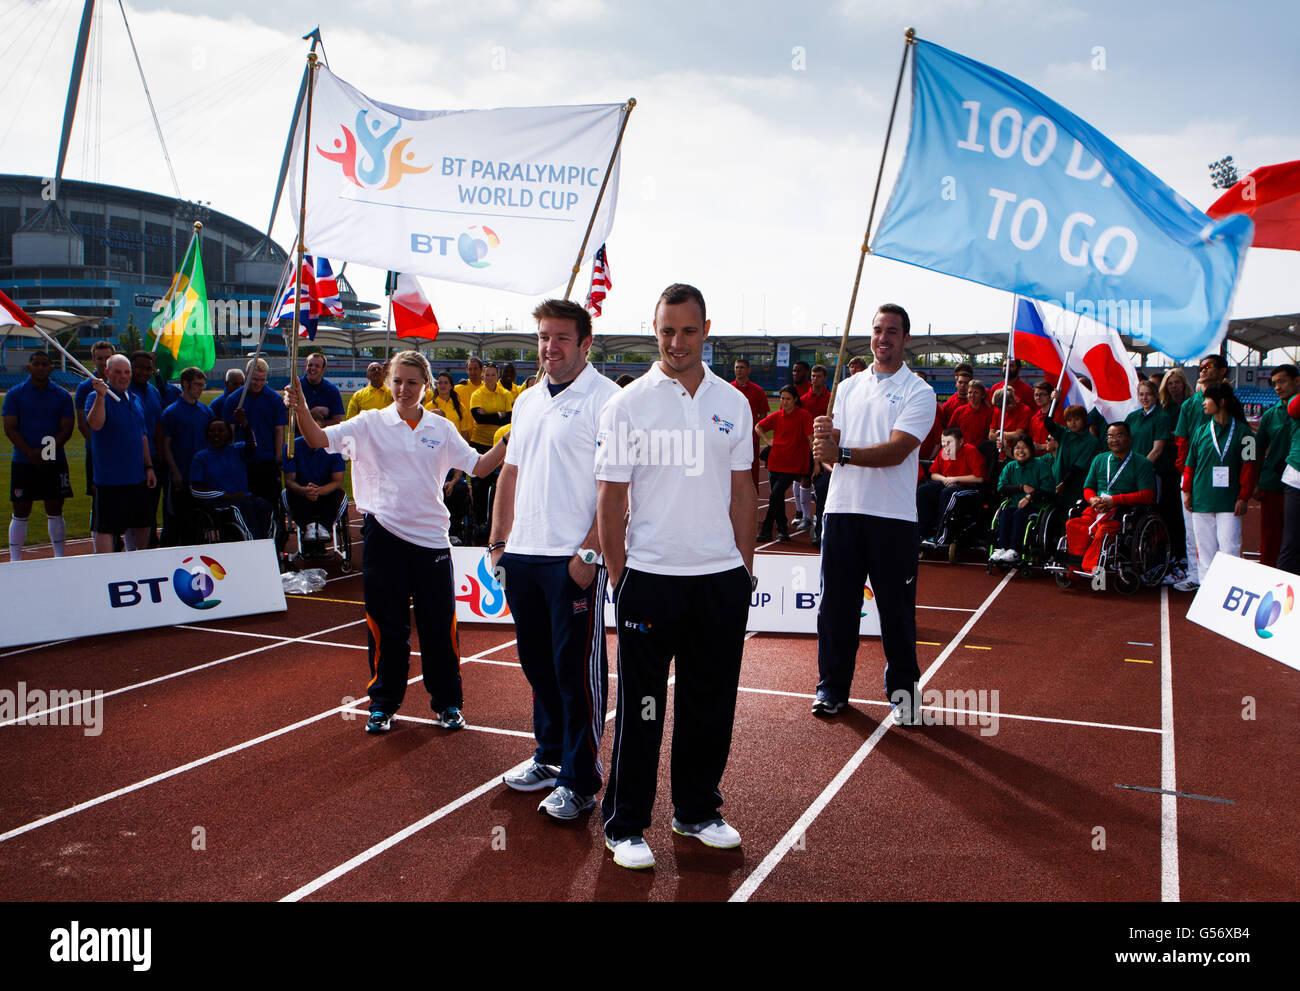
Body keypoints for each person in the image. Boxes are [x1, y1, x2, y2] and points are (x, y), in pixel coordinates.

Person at [595, 283, 754, 870]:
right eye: (666, 330)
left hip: (719, 580)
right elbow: (610, 501)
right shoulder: (627, 404)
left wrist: (743, 569)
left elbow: (743, 494)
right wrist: (620, 577)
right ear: (653, 329)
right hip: (650, 579)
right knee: (642, 708)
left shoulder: (733, 402)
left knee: (709, 704)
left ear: (706, 330)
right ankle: (626, 824)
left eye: (688, 331)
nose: (677, 342)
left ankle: (697, 811)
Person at [286, 350, 507, 733]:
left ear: (425, 384)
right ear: (389, 382)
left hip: (432, 542)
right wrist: (301, 407)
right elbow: (318, 438)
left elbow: (480, 466)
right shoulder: (370, 423)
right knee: (386, 626)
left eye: (413, 382)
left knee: (439, 628)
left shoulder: (440, 428)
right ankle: (383, 704)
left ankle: (448, 704)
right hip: (383, 537)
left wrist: (512, 435)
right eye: (398, 381)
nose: (404, 389)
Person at [488, 298, 621, 821]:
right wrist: (500, 543)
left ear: (586, 343)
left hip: (573, 561)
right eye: (544, 336)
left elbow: (617, 489)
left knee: (576, 674)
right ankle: (547, 756)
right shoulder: (527, 402)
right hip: (523, 556)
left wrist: (589, 553)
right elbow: (510, 475)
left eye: (562, 337)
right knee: (538, 667)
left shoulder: (608, 401)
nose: (550, 346)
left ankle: (581, 779)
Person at [811, 303, 935, 727]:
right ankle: (831, 688)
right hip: (843, 511)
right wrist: (826, 449)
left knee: (896, 613)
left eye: (893, 332)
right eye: (878, 330)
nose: (884, 338)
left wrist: (840, 452)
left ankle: (903, 696)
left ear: (905, 339)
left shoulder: (919, 391)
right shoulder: (847, 388)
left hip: (892, 518)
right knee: (836, 608)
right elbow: (833, 459)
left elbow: (898, 449)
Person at [1177, 383, 1255, 591]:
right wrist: (1186, 491)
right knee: (1205, 549)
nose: (1203, 403)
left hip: (1230, 500)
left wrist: (1243, 497)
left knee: (1229, 548)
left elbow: (1250, 467)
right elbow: (1190, 464)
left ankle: (1230, 590)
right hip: (1202, 498)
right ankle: (1207, 590)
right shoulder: (1201, 431)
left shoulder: (1244, 433)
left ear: (1221, 402)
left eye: (1207, 399)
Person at [4, 352, 73, 561]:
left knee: (55, 507)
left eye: (45, 364)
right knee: (21, 509)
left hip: (54, 461)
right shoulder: (15, 394)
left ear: (52, 368)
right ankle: (15, 560)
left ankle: (59, 557)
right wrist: (30, 452)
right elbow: (10, 427)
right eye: (37, 364)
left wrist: (46, 453)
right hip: (24, 461)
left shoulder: (61, 395)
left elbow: (67, 428)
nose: (41, 367)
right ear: (29, 367)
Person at [1064, 422, 1155, 575]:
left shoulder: (1142, 463)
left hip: (1121, 510)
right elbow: (1088, 488)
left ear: (1129, 438)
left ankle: (1091, 568)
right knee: (1074, 525)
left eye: (1119, 435)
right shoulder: (1099, 459)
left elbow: (1147, 495)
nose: (1114, 439)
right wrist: (1092, 499)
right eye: (1110, 436)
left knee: (1103, 531)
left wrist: (1114, 500)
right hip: (1097, 507)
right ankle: (1074, 568)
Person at [85, 354, 156, 553]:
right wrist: (100, 396)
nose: (123, 376)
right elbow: (95, 424)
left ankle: (140, 562)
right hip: (110, 480)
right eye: (117, 372)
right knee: (106, 527)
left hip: (137, 476)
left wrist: (148, 466)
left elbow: (142, 436)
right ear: (107, 373)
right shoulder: (96, 397)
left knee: (143, 524)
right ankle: (104, 567)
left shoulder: (135, 400)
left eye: (126, 372)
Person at [1173, 355, 1229, 586]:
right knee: (1193, 529)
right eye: (1200, 367)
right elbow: (1181, 442)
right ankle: (1196, 575)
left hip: (1225, 475)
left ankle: (1225, 579)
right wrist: (1186, 473)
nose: (1203, 370)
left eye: (1209, 366)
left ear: (1223, 370)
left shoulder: (1229, 401)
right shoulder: (1189, 405)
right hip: (1195, 474)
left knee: (1226, 533)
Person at [1125, 379, 1178, 580]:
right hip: (1131, 472)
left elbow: (1158, 449)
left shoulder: (1161, 418)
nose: (1144, 398)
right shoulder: (1132, 417)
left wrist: (1140, 468)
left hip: (1150, 472)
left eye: (1148, 394)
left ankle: (1154, 559)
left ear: (1155, 396)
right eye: (1141, 395)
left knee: (1153, 511)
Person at [190, 417, 276, 541]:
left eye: (221, 431)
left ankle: (269, 543)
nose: (216, 434)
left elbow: (252, 447)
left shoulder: (237, 450)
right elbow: (195, 490)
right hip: (219, 504)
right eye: (212, 431)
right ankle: (254, 544)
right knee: (241, 509)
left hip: (243, 499)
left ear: (229, 434)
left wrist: (245, 425)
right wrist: (226, 496)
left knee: (264, 505)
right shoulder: (201, 457)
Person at [159, 366, 214, 546]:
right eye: (197, 384)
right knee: (176, 522)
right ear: (185, 384)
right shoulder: (171, 412)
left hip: (200, 478)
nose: (200, 389)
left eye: (202, 385)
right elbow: (165, 444)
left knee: (199, 523)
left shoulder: (206, 412)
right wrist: (174, 470)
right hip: (180, 476)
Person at [755, 384, 815, 542]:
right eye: (782, 398)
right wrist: (768, 441)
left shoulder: (804, 416)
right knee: (778, 496)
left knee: (775, 494)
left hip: (794, 463)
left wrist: (816, 461)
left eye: (788, 398)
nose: (784, 402)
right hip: (775, 462)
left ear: (796, 399)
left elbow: (810, 440)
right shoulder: (777, 416)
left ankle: (767, 528)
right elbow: (758, 426)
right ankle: (782, 529)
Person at [227, 358, 287, 513]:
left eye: (262, 379)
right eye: (254, 379)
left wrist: (278, 457)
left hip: (267, 460)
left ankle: (275, 535)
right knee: (246, 505)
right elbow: (230, 432)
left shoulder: (274, 399)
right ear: (247, 375)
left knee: (271, 504)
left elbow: (279, 430)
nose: (258, 383)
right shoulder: (234, 400)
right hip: (243, 461)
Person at [1254, 365, 1299, 569]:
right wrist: (1255, 481)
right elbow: (1257, 448)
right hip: (1274, 483)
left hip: (1292, 480)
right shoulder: (1271, 415)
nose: (1277, 387)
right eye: (1274, 384)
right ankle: (1270, 580)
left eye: (1282, 381)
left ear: (1296, 381)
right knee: (1272, 536)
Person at [282, 409, 347, 548]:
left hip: (325, 492)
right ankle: (307, 525)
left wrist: (319, 491)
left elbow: (337, 481)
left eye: (318, 429)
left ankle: (325, 525)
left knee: (339, 494)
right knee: (287, 493)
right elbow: (289, 480)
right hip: (302, 492)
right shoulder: (291, 447)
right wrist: (305, 490)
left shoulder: (335, 447)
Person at [916, 426, 986, 547]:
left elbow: (979, 478)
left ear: (960, 442)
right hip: (948, 483)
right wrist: (945, 479)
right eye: (944, 442)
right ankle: (922, 533)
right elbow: (933, 474)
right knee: (923, 490)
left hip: (968, 488)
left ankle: (942, 536)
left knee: (949, 493)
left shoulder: (971, 451)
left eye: (950, 442)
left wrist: (955, 479)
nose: (946, 445)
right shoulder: (944, 452)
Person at [990, 434, 1055, 563]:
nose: (1020, 451)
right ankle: (1002, 547)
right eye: (1017, 448)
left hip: (1036, 506)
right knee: (1006, 512)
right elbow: (1001, 487)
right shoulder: (1010, 466)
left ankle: (1015, 550)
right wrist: (1021, 487)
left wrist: (1030, 497)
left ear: (1031, 449)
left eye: (1024, 448)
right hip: (1015, 504)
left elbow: (1048, 490)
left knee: (1020, 514)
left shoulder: (1040, 465)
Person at [468, 362, 513, 540]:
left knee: (498, 486)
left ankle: (496, 526)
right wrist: (499, 415)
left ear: (497, 376)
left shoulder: (506, 394)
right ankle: (479, 524)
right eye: (486, 375)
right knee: (479, 485)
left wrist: (492, 416)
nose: (489, 378)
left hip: (501, 445)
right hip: (480, 443)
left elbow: (509, 418)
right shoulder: (477, 394)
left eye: (492, 375)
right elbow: (478, 419)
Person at [129, 351, 166, 547]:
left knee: (150, 508)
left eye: (148, 368)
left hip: (153, 458)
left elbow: (159, 424)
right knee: (132, 510)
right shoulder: (124, 391)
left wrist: (159, 453)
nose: (144, 372)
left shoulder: (153, 392)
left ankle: (150, 545)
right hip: (132, 461)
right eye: (140, 367)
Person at [74, 340, 114, 506]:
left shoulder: (123, 383)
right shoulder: (85, 388)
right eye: (99, 358)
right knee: (99, 497)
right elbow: (83, 424)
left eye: (108, 357)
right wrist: (99, 446)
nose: (103, 361)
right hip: (96, 451)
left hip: (120, 450)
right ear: (93, 360)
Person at [1045, 404, 1103, 509]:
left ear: (1084, 420)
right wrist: (1054, 402)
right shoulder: (1064, 433)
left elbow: (1079, 467)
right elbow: (1048, 423)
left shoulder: (1091, 441)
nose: (1073, 423)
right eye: (1069, 420)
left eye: (1076, 419)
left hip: (1076, 485)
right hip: (1058, 482)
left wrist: (1064, 483)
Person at [732, 358, 769, 491]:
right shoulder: (728, 389)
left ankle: (752, 501)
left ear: (748, 370)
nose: (739, 370)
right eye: (737, 367)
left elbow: (763, 415)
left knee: (752, 472)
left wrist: (754, 430)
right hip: (731, 438)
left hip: (750, 439)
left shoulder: (758, 391)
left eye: (742, 367)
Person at [1276, 389, 1300, 576]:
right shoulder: (1294, 403)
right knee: (1291, 542)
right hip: (1296, 480)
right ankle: (1283, 594)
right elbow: (1294, 408)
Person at [299, 352, 344, 427]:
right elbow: (288, 417)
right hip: (299, 436)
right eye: (310, 365)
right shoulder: (296, 388)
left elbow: (338, 421)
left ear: (323, 369)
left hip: (323, 436)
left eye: (317, 366)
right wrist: (312, 414)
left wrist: (321, 424)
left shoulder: (332, 391)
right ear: (305, 366)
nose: (312, 368)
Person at [938, 363, 973, 428]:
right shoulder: (948, 405)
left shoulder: (980, 401)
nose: (962, 385)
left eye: (966, 382)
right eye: (956, 375)